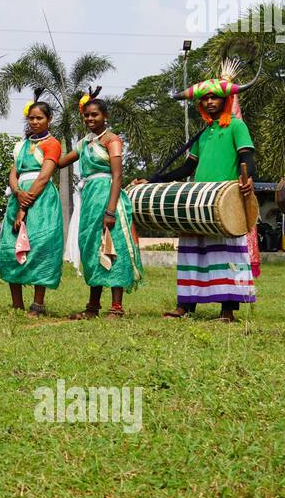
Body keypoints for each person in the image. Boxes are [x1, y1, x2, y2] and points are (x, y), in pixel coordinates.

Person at [132, 58, 258, 322]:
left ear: (226, 100)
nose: (210, 102)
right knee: (193, 254)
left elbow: (246, 157)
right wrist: (153, 181)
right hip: (199, 202)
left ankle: (227, 311)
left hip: (226, 200)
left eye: (215, 97)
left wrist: (246, 178)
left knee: (226, 255)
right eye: (205, 99)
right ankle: (186, 306)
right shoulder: (203, 134)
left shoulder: (236, 126)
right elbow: (185, 169)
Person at [56, 87, 142, 319]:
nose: (90, 119)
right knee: (91, 249)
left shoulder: (112, 140)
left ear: (105, 116)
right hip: (89, 202)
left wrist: (111, 210)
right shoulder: (84, 143)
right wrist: (45, 147)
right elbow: (61, 162)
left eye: (95, 115)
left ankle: (116, 307)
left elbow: (117, 176)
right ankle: (92, 307)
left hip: (108, 198)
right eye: (86, 115)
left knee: (113, 249)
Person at [0, 91, 64, 316]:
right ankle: (17, 304)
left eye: (40, 118)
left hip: (41, 200)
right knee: (9, 246)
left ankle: (37, 304)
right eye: (31, 118)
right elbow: (13, 173)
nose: (35, 122)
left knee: (40, 246)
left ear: (49, 120)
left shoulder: (52, 144)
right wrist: (17, 192)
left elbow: (44, 176)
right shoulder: (21, 145)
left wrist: (25, 205)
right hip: (19, 197)